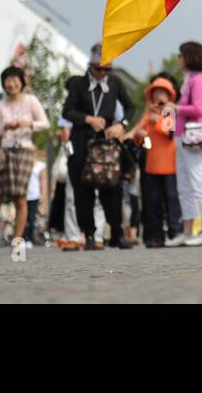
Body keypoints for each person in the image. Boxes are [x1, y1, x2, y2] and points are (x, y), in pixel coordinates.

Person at [61, 44, 134, 249]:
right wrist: (87, 119)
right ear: (90, 66)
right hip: (82, 139)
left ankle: (117, 234)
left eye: (107, 69)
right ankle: (89, 235)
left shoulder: (116, 82)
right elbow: (67, 112)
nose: (103, 73)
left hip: (106, 141)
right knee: (82, 190)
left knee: (112, 188)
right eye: (99, 69)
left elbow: (130, 107)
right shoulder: (78, 84)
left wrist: (122, 125)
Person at [0, 65, 50, 255]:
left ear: (21, 81)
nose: (11, 84)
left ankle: (17, 243)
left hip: (24, 150)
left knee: (21, 197)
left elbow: (45, 124)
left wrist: (29, 123)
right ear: (3, 84)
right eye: (7, 81)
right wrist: (5, 127)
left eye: (15, 80)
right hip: (3, 153)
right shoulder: (0, 105)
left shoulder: (31, 100)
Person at [129, 74, 184, 248]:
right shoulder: (148, 112)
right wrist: (139, 134)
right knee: (152, 203)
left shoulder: (169, 111)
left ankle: (175, 232)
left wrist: (157, 121)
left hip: (169, 164)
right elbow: (140, 134)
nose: (158, 96)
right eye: (156, 92)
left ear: (169, 95)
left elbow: (169, 133)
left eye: (162, 92)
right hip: (151, 164)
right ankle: (155, 235)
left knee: (171, 201)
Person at [174, 41, 202, 246]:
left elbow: (200, 109)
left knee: (199, 183)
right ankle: (188, 230)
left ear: (189, 57)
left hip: (194, 138)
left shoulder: (198, 80)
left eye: (180, 55)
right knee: (184, 186)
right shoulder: (188, 79)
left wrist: (175, 108)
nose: (178, 59)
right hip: (182, 136)